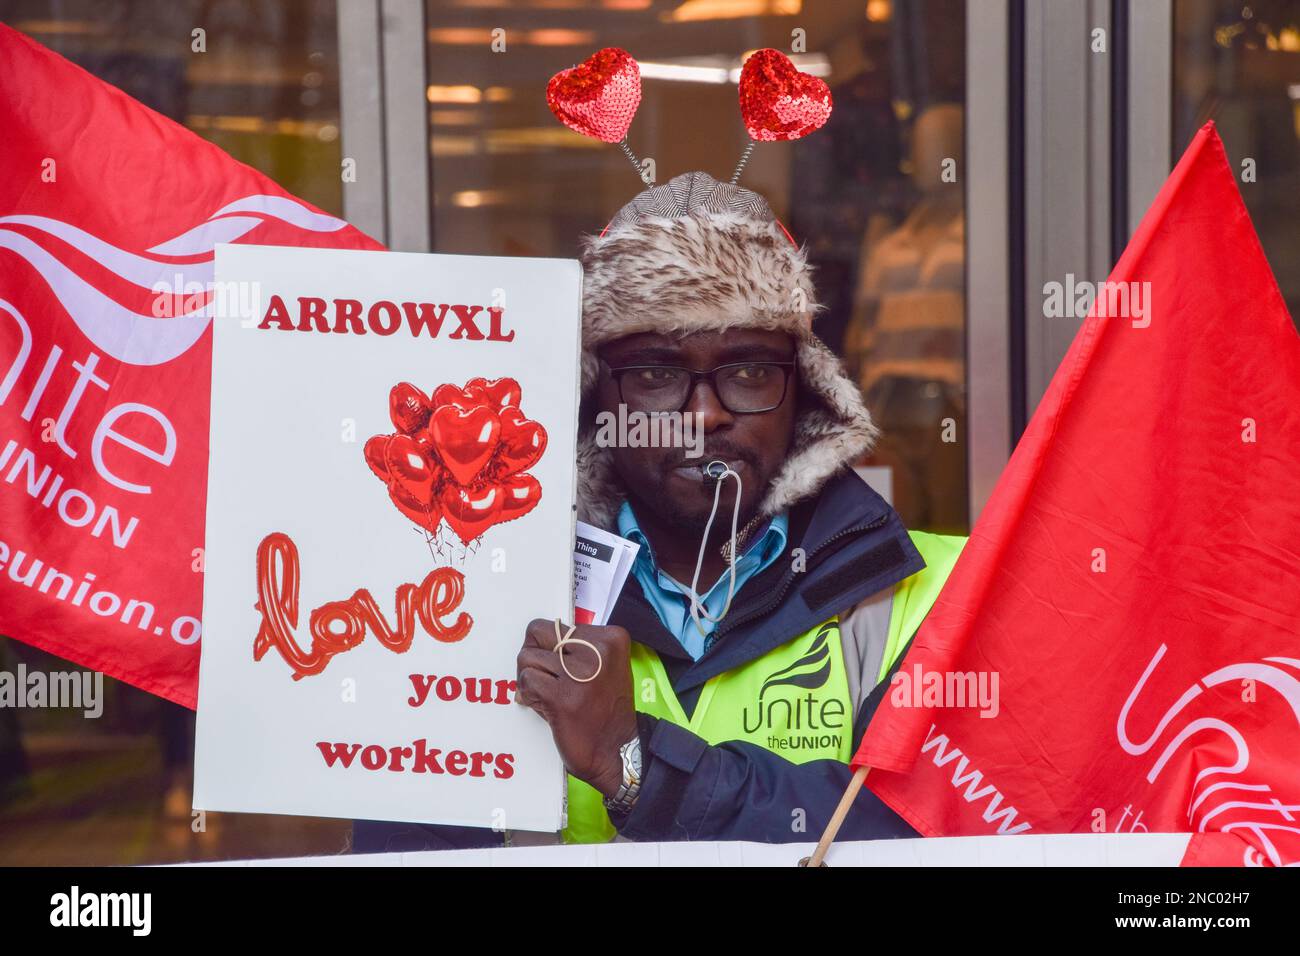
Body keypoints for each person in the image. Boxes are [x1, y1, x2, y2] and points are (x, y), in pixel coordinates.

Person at [352, 170, 964, 852]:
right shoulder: (475, 595)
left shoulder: (945, 592)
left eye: (749, 371)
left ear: (807, 394)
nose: (703, 414)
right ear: (596, 400)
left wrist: (637, 768)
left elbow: (940, 830)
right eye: (655, 374)